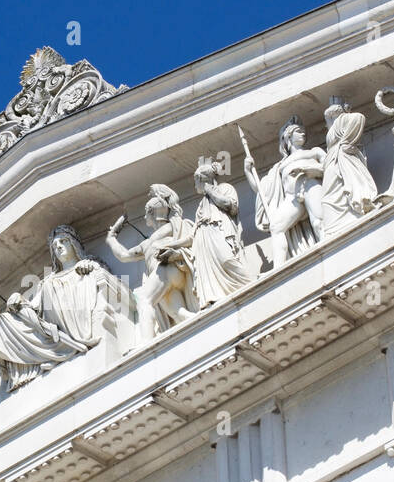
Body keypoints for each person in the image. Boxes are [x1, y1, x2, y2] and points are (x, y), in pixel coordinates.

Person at [106, 184, 198, 340]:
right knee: (178, 313)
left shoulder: (166, 230)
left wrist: (111, 238)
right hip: (171, 278)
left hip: (165, 271)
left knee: (143, 300)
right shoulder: (161, 234)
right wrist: (111, 239)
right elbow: (124, 255)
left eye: (146, 214)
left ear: (153, 214)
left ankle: (147, 345)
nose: (144, 218)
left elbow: (125, 256)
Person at [242, 116, 324, 266]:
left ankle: (328, 250)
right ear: (288, 136)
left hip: (310, 185)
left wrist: (312, 169)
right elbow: (261, 191)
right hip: (293, 198)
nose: (303, 134)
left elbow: (330, 167)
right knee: (276, 227)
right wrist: (248, 171)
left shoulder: (314, 152)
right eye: (299, 131)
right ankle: (279, 269)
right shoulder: (280, 167)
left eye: (304, 132)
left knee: (318, 222)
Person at [190, 156, 255, 307]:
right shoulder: (201, 204)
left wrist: (211, 192)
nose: (195, 187)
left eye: (196, 183)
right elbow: (192, 232)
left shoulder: (224, 188)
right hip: (204, 242)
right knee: (207, 273)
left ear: (203, 180)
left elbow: (230, 206)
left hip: (219, 231)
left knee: (227, 260)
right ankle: (213, 296)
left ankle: (250, 282)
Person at [320, 97, 377, 238]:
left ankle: (346, 220)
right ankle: (335, 227)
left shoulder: (341, 120)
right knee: (327, 198)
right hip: (332, 162)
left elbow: (358, 118)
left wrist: (346, 143)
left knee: (334, 195)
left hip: (340, 160)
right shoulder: (333, 126)